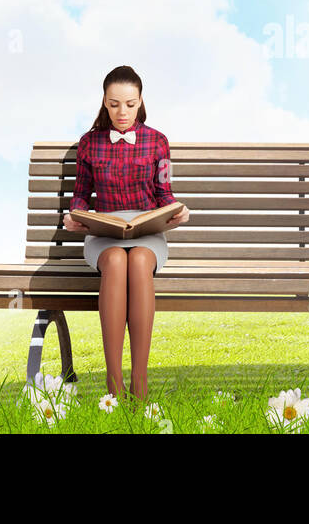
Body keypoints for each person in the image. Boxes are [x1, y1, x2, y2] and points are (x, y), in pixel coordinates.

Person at [63, 65, 191, 401]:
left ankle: (140, 379)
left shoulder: (157, 141)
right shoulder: (89, 143)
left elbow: (164, 193)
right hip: (106, 232)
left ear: (141, 101)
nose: (123, 112)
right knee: (117, 262)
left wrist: (176, 211)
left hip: (147, 231)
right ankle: (113, 380)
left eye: (130, 104)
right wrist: (74, 216)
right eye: (115, 103)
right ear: (104, 102)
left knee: (138, 263)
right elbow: (81, 193)